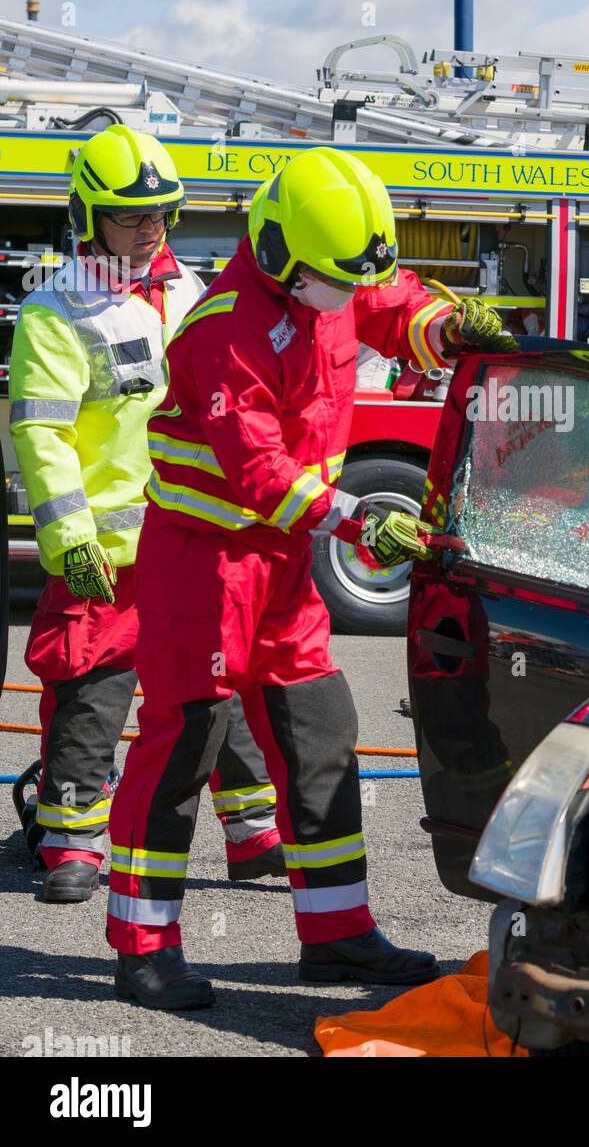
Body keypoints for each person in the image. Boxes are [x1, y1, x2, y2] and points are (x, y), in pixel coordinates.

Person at [105, 146, 518, 1009]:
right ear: (279, 250)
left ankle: (337, 934)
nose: (344, 297)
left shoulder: (324, 272)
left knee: (321, 737)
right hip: (204, 565)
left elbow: (389, 301)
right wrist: (358, 517)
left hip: (282, 572)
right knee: (184, 746)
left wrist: (446, 329)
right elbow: (257, 472)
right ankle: (144, 946)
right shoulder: (222, 332)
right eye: (331, 283)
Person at [9, 125, 282, 903]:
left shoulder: (193, 292)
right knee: (90, 685)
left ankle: (253, 831)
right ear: (87, 215)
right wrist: (69, 542)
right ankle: (72, 841)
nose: (150, 228)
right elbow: (42, 431)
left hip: (192, 534)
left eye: (162, 212)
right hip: (106, 551)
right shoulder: (56, 313)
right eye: (131, 216)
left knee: (216, 677)